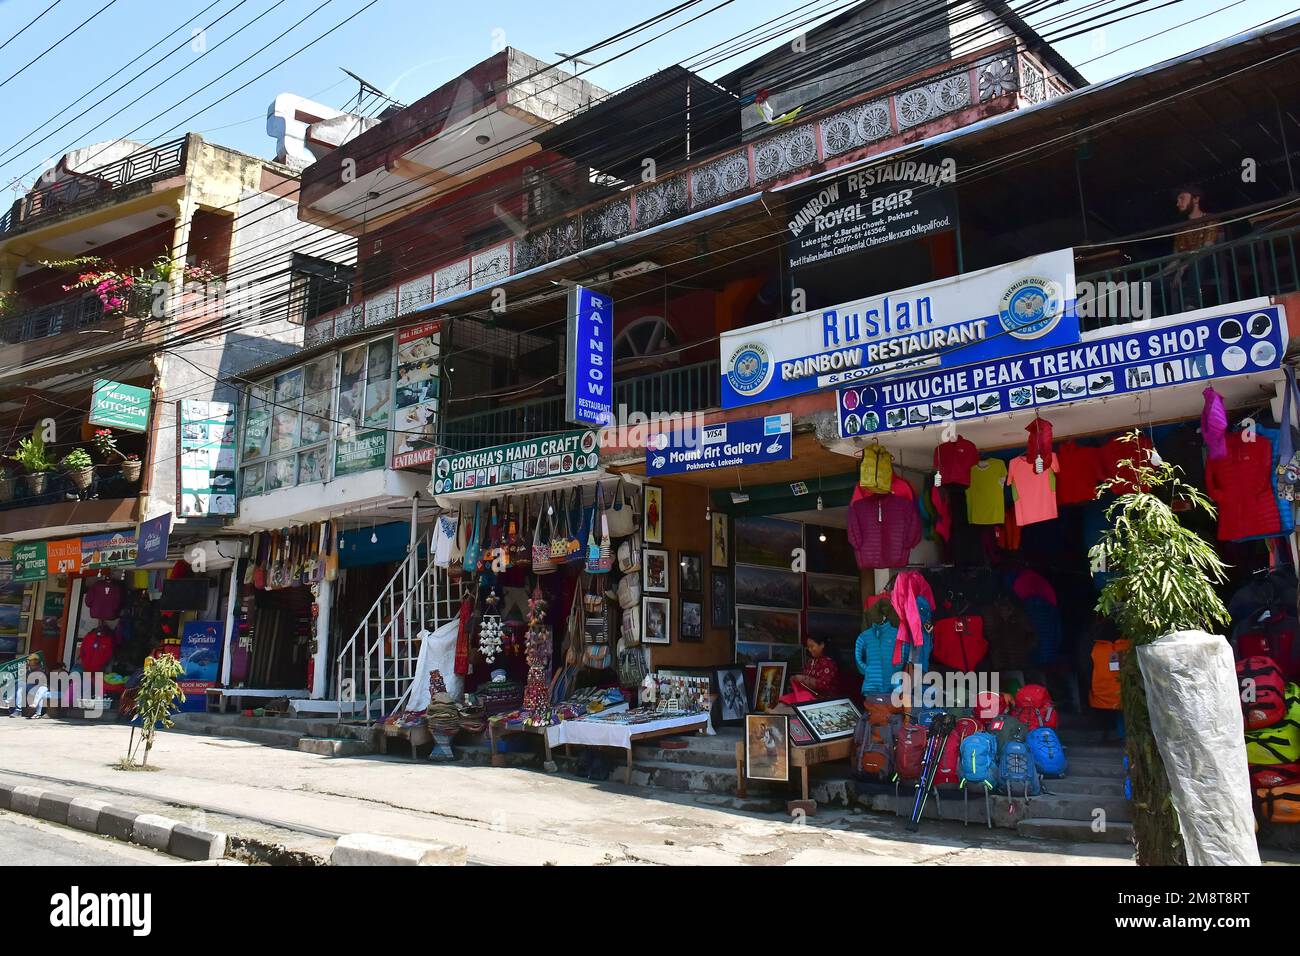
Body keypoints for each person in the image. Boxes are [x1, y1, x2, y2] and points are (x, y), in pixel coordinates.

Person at [784, 635, 840, 701]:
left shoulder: (829, 663)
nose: (810, 650)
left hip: (825, 701)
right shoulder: (811, 661)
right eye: (808, 647)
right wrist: (795, 679)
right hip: (809, 699)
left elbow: (823, 685)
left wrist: (802, 679)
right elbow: (805, 675)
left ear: (822, 645)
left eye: (812, 646)